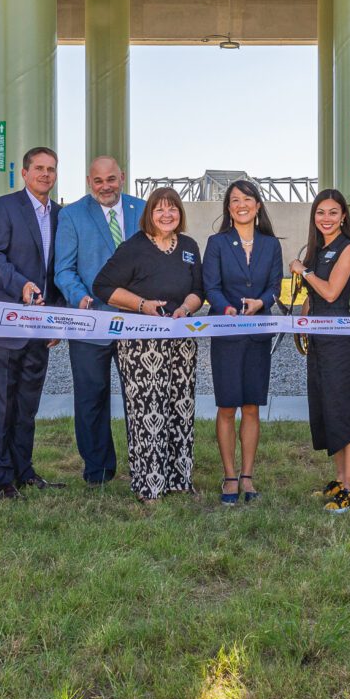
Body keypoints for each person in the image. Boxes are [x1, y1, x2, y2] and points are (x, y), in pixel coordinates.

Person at [94, 188, 205, 504]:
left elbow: (199, 289)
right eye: (160, 209)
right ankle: (149, 485)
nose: (167, 215)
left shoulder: (188, 247)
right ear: (149, 214)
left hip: (181, 342)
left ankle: (179, 479)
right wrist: (141, 305)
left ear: (180, 213)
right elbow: (102, 286)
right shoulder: (134, 248)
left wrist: (186, 308)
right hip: (142, 344)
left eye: (172, 209)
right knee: (148, 410)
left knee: (180, 408)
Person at [52, 156, 146, 486]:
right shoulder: (72, 215)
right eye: (98, 181)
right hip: (90, 320)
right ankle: (98, 470)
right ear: (89, 182)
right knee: (91, 398)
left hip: (138, 322)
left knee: (142, 398)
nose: (105, 186)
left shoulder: (144, 210)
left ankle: (145, 465)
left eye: (111, 179)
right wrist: (78, 297)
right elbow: (64, 268)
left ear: (122, 177)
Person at [0, 146, 62, 498]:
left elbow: (60, 269)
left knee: (28, 403)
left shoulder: (62, 215)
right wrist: (21, 285)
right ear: (25, 173)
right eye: (39, 168)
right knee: (0, 404)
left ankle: (23, 469)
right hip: (5, 321)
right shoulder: (4, 207)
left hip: (41, 325)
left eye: (51, 169)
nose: (45, 174)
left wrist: (56, 317)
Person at [205, 180, 283, 505]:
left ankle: (247, 475)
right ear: (228, 208)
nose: (241, 204)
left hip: (257, 335)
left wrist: (261, 303)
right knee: (226, 407)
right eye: (234, 200)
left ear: (258, 205)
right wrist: (228, 308)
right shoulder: (217, 243)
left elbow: (276, 286)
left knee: (250, 407)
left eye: (247, 199)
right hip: (227, 333)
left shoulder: (271, 245)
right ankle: (228, 476)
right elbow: (211, 285)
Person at [292, 189, 350, 513]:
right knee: (327, 410)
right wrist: (301, 321)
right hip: (318, 340)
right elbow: (313, 296)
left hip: (339, 339)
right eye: (321, 212)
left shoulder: (348, 249)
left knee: (345, 410)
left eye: (333, 212)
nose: (326, 218)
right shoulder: (316, 249)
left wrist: (303, 271)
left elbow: (333, 293)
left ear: (343, 216)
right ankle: (338, 480)